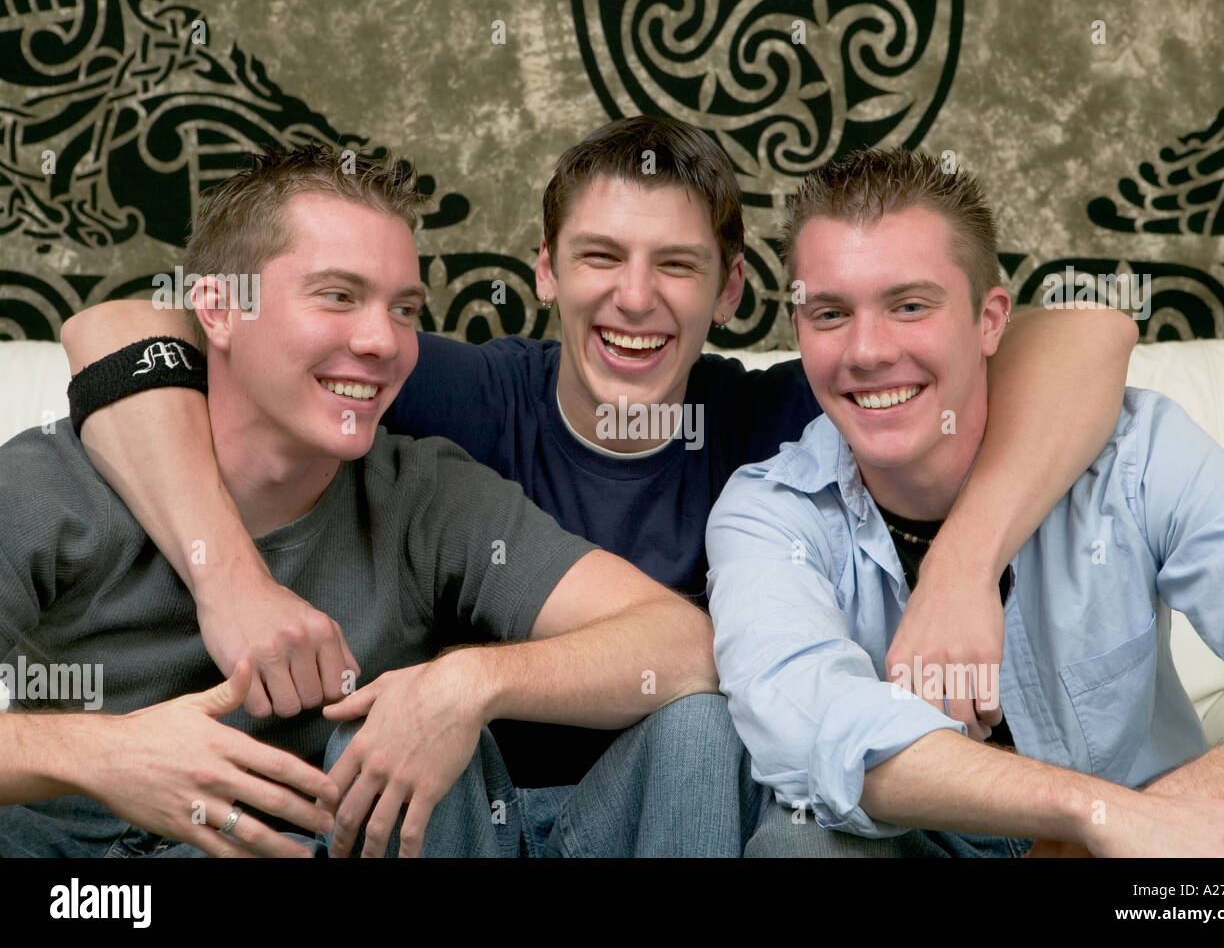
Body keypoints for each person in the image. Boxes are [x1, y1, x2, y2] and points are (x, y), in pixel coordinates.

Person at [60, 117, 1137, 792]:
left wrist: (958, 569)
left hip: (679, 804)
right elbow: (115, 331)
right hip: (447, 803)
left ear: (728, 293)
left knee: (704, 732)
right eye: (599, 257)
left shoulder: (775, 417)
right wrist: (228, 578)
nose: (633, 297)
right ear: (544, 269)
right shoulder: (447, 384)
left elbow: (1087, 332)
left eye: (676, 265)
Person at [0, 144, 741, 858]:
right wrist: (108, 753)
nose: (382, 340)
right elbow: (112, 330)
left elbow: (680, 643)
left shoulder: (422, 494)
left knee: (691, 723)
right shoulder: (50, 485)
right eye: (339, 295)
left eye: (406, 309)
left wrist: (465, 683)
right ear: (218, 311)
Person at [705, 146, 1224, 857]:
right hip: (928, 852)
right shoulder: (768, 515)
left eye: (910, 305)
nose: (867, 350)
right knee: (794, 848)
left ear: (991, 320)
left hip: (1145, 869)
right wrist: (1092, 813)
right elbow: (822, 731)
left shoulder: (1136, 455)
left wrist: (1155, 819)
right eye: (830, 313)